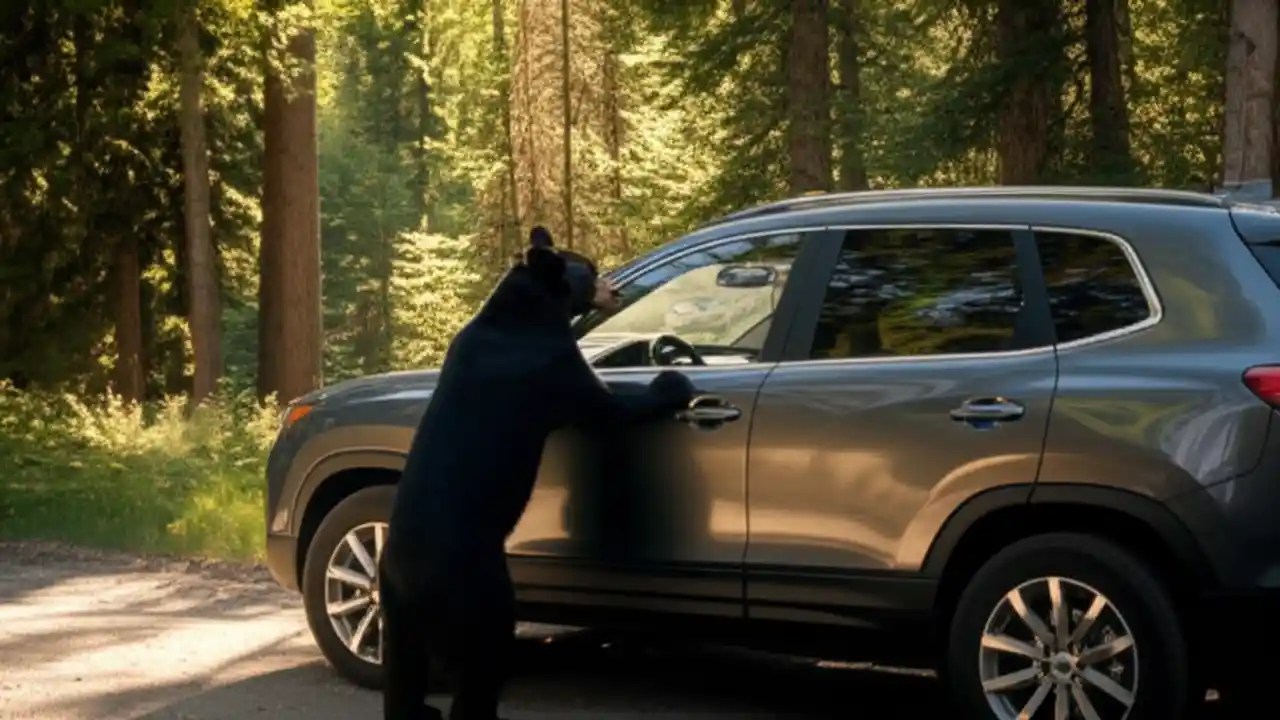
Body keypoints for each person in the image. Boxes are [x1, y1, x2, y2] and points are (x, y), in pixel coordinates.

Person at [379, 226, 696, 720]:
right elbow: (608, 411)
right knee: (484, 666)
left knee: (405, 688)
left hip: (402, 547)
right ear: (558, 289)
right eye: (594, 281)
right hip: (462, 558)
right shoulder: (546, 359)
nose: (607, 287)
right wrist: (669, 390)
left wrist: (581, 294)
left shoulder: (474, 341)